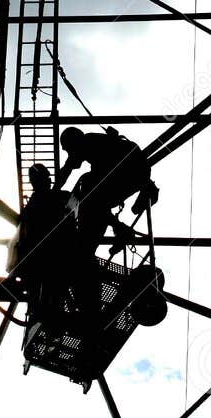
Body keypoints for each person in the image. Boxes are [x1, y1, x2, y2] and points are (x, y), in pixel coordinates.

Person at [55, 126, 159, 258]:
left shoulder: (86, 144)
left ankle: (117, 232)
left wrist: (53, 192)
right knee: (96, 198)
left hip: (129, 172)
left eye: (68, 149)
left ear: (73, 142)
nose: (69, 153)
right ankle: (119, 230)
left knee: (90, 192)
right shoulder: (93, 141)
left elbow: (66, 170)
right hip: (135, 171)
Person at [10, 164, 79, 316]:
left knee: (50, 287)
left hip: (44, 257)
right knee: (55, 285)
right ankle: (47, 310)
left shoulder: (35, 204)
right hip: (53, 254)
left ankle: (42, 310)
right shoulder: (54, 198)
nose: (49, 180)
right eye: (47, 178)